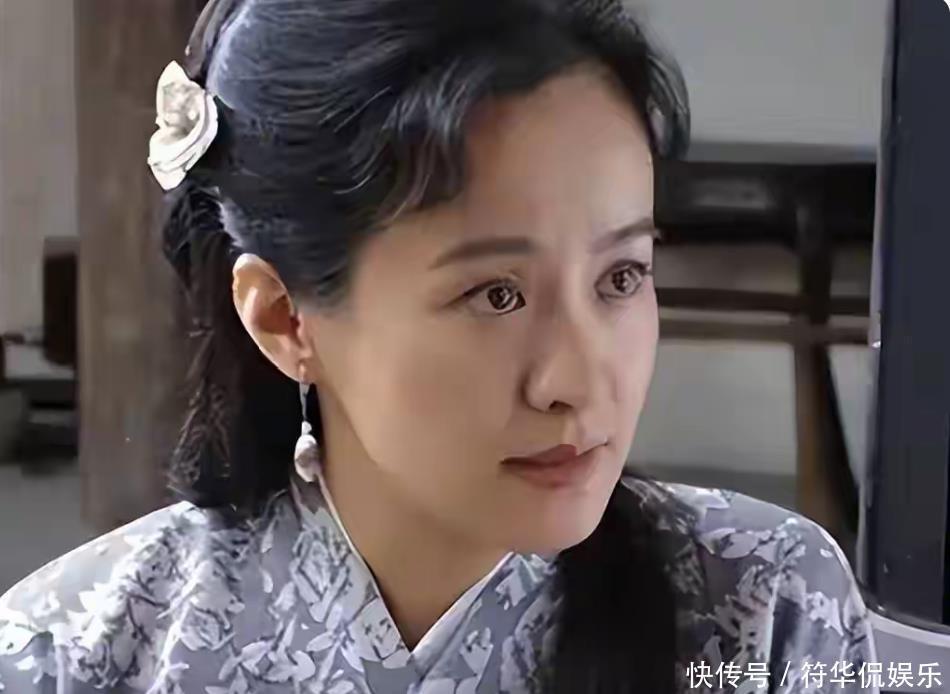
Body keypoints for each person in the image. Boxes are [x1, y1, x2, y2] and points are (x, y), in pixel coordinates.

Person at [0, 0, 879, 692]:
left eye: (621, 277)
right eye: (497, 295)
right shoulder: (74, 654)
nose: (579, 381)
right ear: (284, 319)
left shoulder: (770, 605)